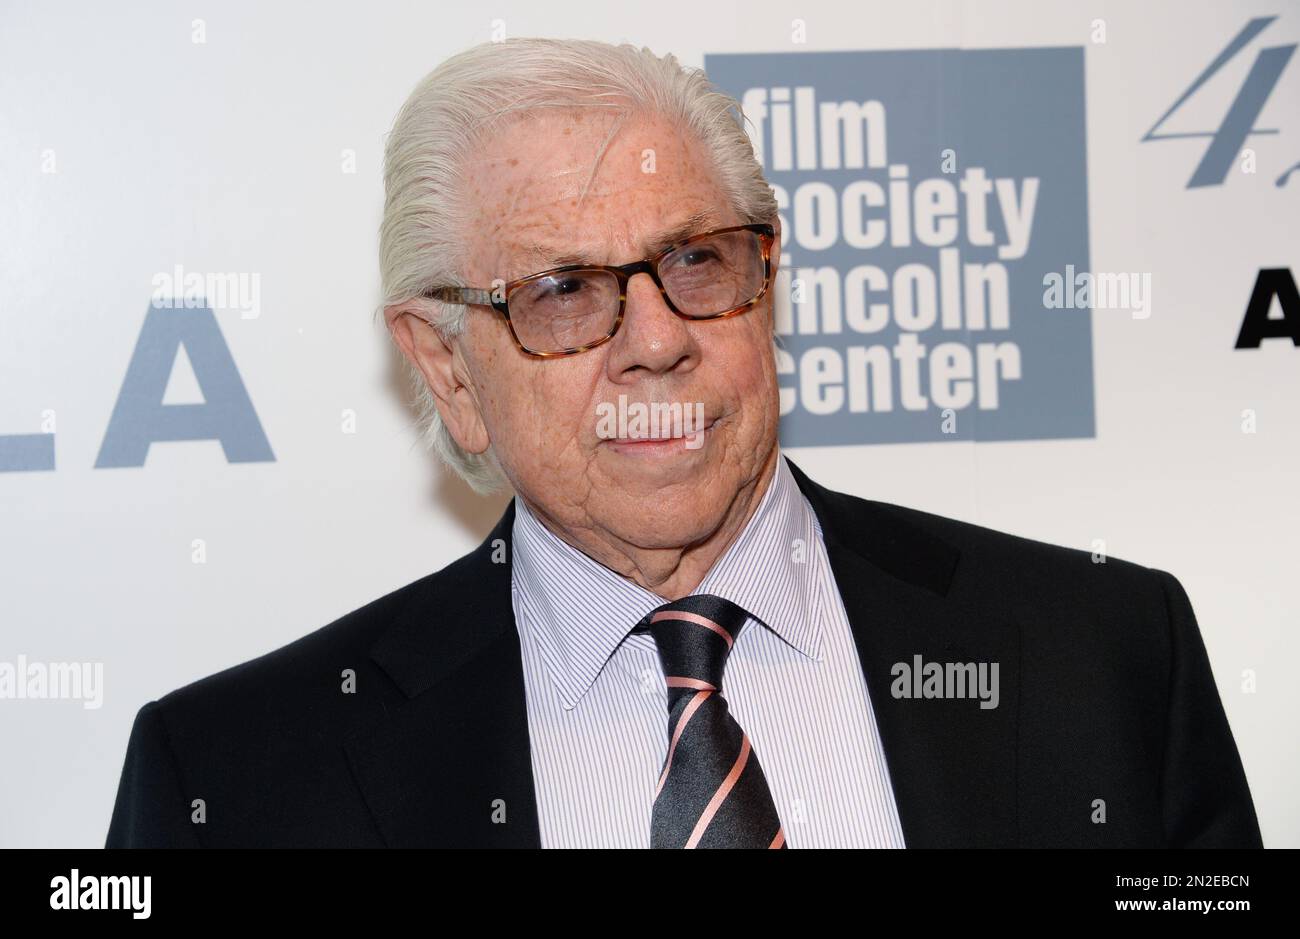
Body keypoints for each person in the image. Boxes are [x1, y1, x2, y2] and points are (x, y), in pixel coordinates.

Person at [106, 37, 1261, 849]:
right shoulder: (238, 777)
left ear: (768, 281)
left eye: (697, 260)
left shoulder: (1103, 659)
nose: (655, 341)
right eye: (561, 290)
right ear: (450, 368)